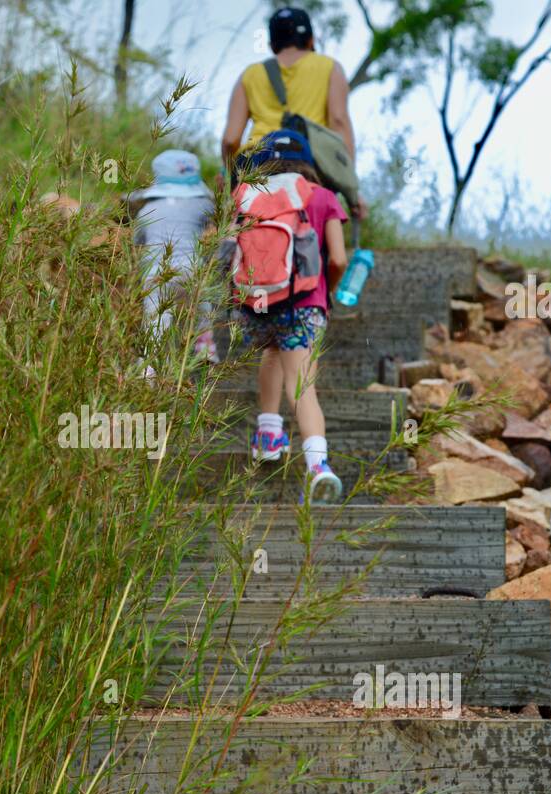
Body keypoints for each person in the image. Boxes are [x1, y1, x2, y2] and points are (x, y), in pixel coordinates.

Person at [232, 129, 348, 502]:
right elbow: (339, 259)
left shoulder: (246, 194)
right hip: (304, 304)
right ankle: (317, 466)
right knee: (302, 385)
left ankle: (268, 435)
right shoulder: (323, 197)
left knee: (270, 354)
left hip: (257, 302)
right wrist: (325, 290)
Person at [221, 6, 366, 220]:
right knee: (315, 227)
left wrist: (230, 179)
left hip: (256, 163)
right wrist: (350, 187)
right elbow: (338, 121)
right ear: (310, 39)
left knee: (245, 231)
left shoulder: (249, 75)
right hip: (307, 163)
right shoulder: (330, 68)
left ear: (272, 45)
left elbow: (230, 139)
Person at [129, 149, 218, 365]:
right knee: (201, 303)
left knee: (155, 324)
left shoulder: (147, 209)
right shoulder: (203, 205)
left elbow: (137, 241)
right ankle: (204, 344)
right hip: (190, 270)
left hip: (156, 276)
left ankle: (147, 368)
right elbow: (215, 228)